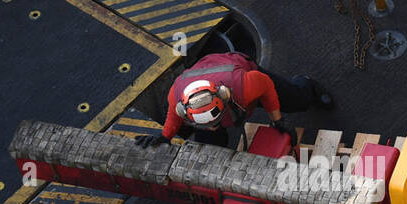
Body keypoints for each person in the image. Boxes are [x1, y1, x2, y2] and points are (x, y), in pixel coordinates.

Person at [136, 52, 334, 148]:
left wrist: (277, 120)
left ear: (224, 96)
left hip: (237, 67)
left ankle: (308, 86)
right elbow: (173, 116)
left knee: (296, 101)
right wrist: (164, 137)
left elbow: (266, 86)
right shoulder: (177, 95)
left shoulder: (245, 85)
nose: (214, 127)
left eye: (216, 122)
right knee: (210, 149)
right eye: (209, 125)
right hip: (209, 78)